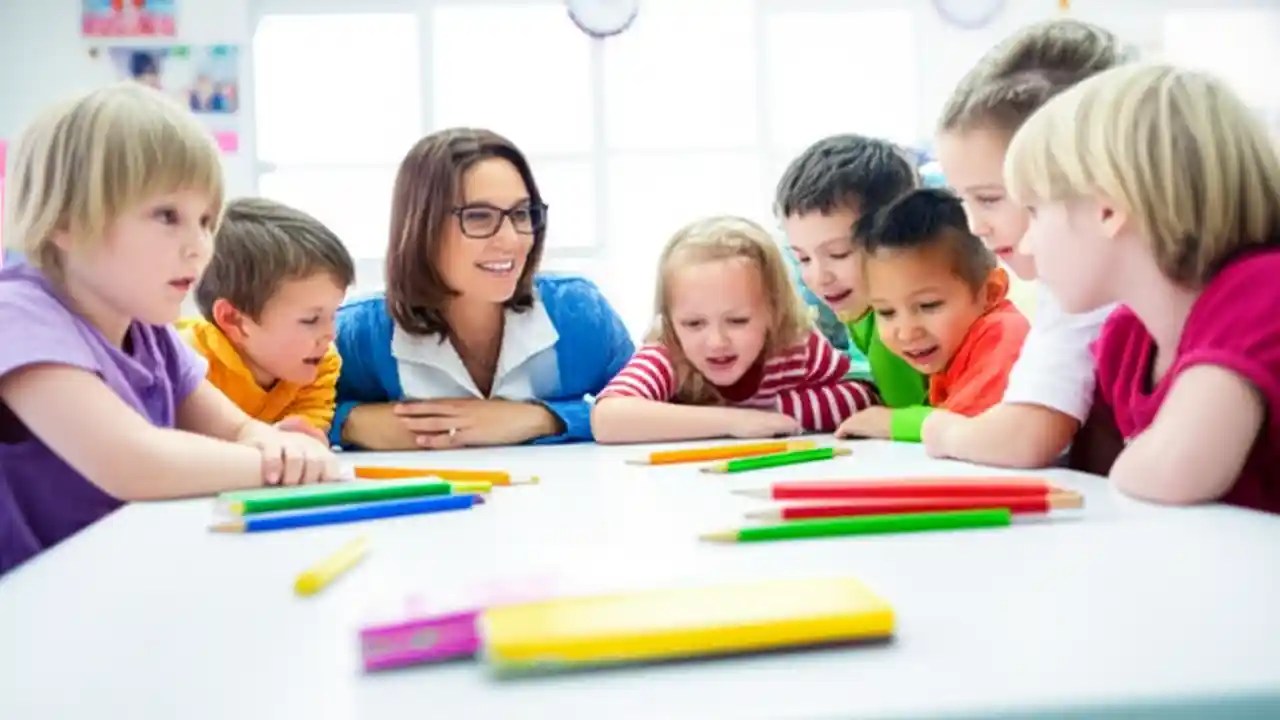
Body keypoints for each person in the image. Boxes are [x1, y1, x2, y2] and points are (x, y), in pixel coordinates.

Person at [0, 84, 337, 575]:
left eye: (205, 221)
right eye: (167, 216)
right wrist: (283, 467)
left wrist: (281, 444)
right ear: (66, 222)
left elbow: (239, 429)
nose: (200, 247)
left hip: (111, 577)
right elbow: (137, 462)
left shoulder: (149, 327)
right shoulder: (18, 314)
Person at [1006, 63, 1280, 513]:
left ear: (1107, 209)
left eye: (1035, 212)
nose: (1025, 242)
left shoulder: (1259, 289)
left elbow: (1175, 472)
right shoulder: (1125, 342)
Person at [332, 128, 634, 450]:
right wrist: (349, 423)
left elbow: (653, 406)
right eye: (478, 216)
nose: (512, 239)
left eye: (520, 214)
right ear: (421, 225)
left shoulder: (578, 312)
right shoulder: (358, 334)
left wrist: (543, 418)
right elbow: (287, 417)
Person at [924, 19, 1125, 467]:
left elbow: (1025, 437)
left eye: (991, 198)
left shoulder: (1085, 285)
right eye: (964, 201)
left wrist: (941, 429)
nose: (976, 225)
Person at [591, 215, 878, 443]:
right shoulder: (670, 351)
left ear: (774, 312)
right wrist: (736, 421)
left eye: (738, 321)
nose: (716, 342)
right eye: (693, 323)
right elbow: (607, 419)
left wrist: (771, 411)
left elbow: (862, 395)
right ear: (669, 320)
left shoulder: (796, 344)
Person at [837, 189, 1028, 441]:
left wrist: (891, 422)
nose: (906, 331)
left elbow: (971, 429)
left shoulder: (1002, 333)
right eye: (886, 312)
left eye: (928, 305)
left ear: (991, 292)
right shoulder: (953, 351)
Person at [178, 197, 354, 440]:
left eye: (333, 314)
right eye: (311, 320)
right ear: (235, 321)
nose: (331, 334)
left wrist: (303, 440)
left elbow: (309, 436)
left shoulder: (321, 363)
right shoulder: (184, 361)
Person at [776, 134, 928, 408]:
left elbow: (903, 413)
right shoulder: (859, 308)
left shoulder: (897, 330)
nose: (820, 278)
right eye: (803, 258)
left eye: (838, 254)